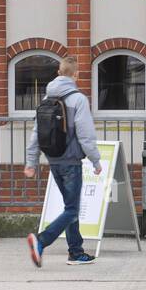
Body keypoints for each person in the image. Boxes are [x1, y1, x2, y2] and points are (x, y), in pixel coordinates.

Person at [24, 57, 102, 266]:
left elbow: (36, 134)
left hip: (53, 160)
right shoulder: (78, 100)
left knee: (70, 207)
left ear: (59, 73)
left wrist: (31, 162)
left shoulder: (46, 99)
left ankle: (76, 252)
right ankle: (41, 241)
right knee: (72, 210)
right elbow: (85, 135)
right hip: (71, 161)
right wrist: (95, 160)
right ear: (76, 75)